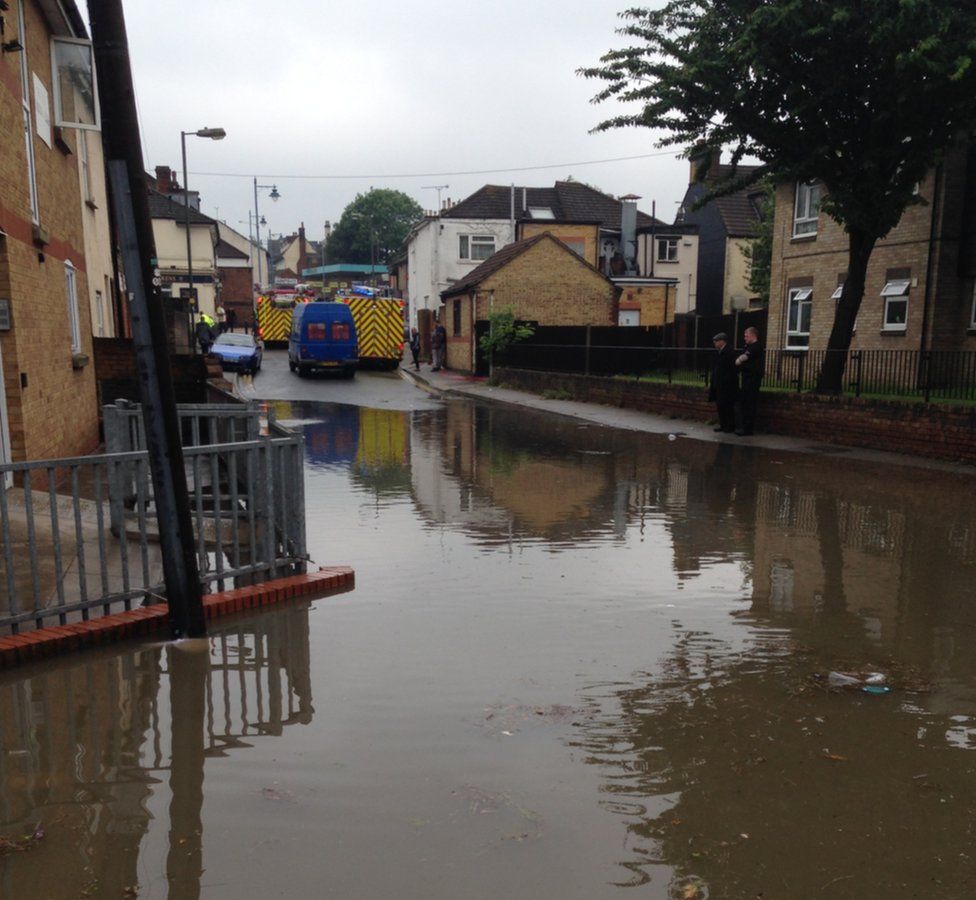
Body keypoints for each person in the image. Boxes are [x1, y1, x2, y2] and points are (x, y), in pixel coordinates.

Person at [735, 326, 764, 435]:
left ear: (752, 335)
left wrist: (738, 360)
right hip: (747, 379)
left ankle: (747, 429)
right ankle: (743, 427)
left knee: (750, 404)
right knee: (745, 403)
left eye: (746, 336)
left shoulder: (756, 347)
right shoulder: (748, 346)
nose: (745, 338)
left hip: (753, 379)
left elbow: (744, 357)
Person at [708, 332, 738, 434]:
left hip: (727, 385)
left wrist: (725, 381)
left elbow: (731, 369)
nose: (714, 344)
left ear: (722, 341)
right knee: (720, 405)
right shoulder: (719, 352)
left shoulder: (729, 352)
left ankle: (730, 426)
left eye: (716, 341)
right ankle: (723, 425)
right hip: (718, 384)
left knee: (728, 406)